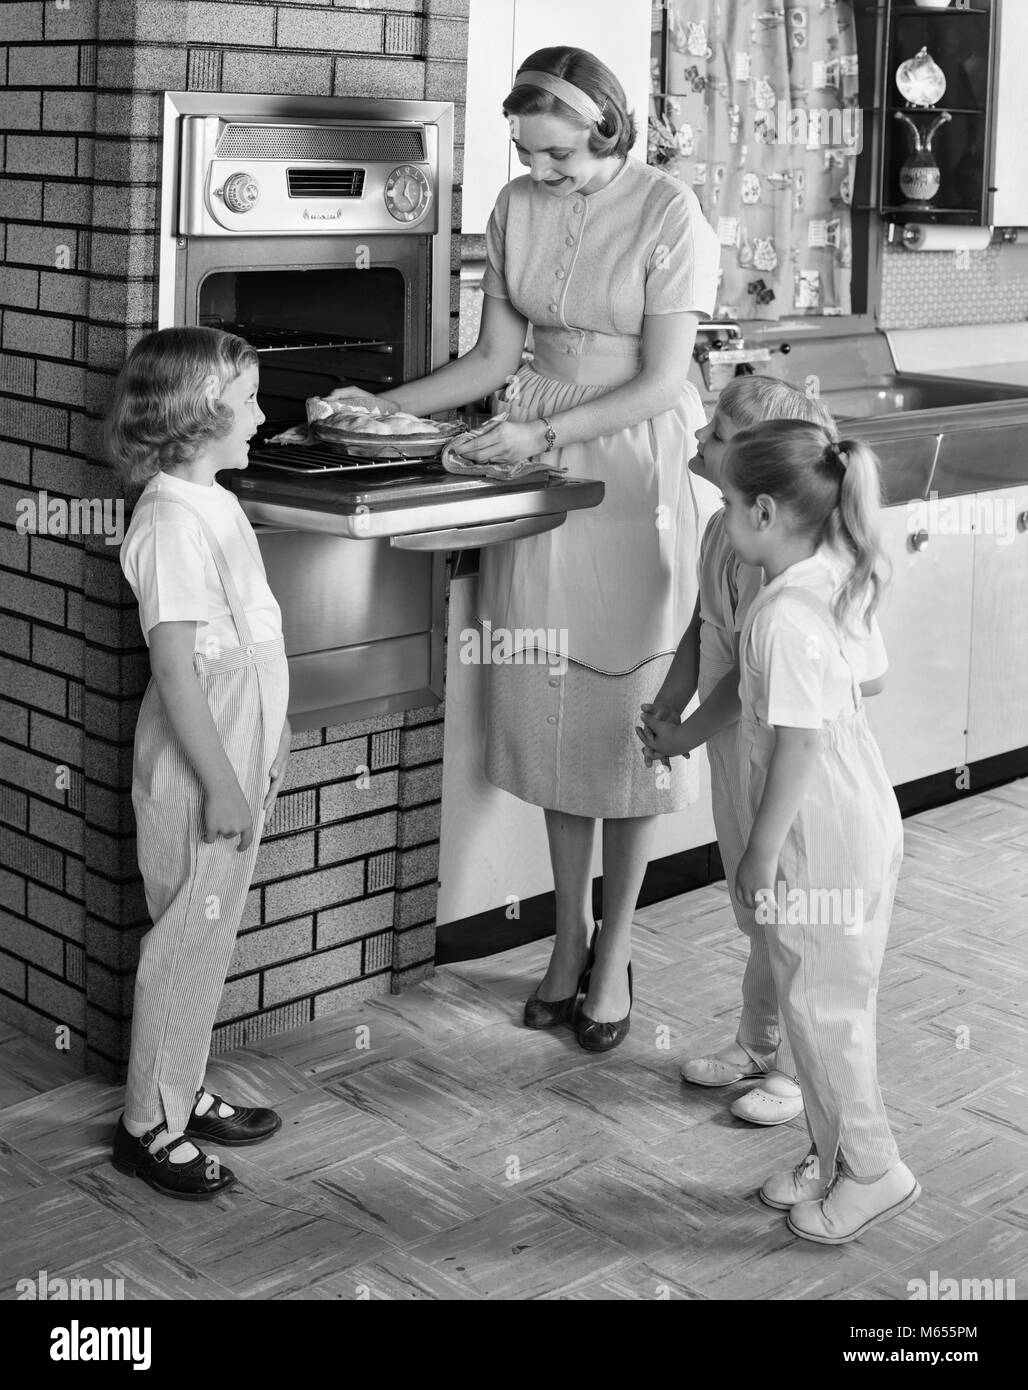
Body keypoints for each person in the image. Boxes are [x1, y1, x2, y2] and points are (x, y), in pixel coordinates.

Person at [327, 46, 720, 1052]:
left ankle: (616, 945)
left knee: (621, 723)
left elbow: (665, 382)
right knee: (549, 710)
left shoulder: (670, 213)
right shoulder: (513, 205)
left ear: (606, 128)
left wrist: (544, 435)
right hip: (528, 455)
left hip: (628, 468)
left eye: (559, 157)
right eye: (529, 155)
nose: (541, 173)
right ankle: (566, 935)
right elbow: (493, 359)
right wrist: (380, 403)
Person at [718, 418, 918, 1243]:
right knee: (820, 999)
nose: (721, 517)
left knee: (825, 1006)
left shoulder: (779, 617)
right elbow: (863, 683)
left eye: (728, 502)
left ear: (764, 512)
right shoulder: (828, 574)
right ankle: (832, 1153)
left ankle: (873, 1170)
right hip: (854, 809)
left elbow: (797, 746)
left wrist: (758, 855)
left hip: (820, 829)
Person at [104, 327, 291, 1199]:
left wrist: (261, 756)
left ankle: (177, 1087)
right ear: (198, 417)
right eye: (248, 400)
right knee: (185, 941)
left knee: (203, 939)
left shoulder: (209, 497)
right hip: (203, 752)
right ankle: (147, 1125)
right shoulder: (170, 521)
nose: (261, 414)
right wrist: (223, 782)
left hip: (237, 739)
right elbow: (177, 670)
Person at [639, 377, 845, 1128]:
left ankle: (793, 1067)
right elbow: (703, 630)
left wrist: (686, 735)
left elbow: (754, 687)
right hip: (736, 751)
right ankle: (757, 1043)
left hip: (771, 750)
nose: (698, 439)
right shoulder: (724, 528)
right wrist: (670, 701)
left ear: (761, 470)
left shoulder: (773, 560)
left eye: (717, 433)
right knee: (759, 910)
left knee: (785, 909)